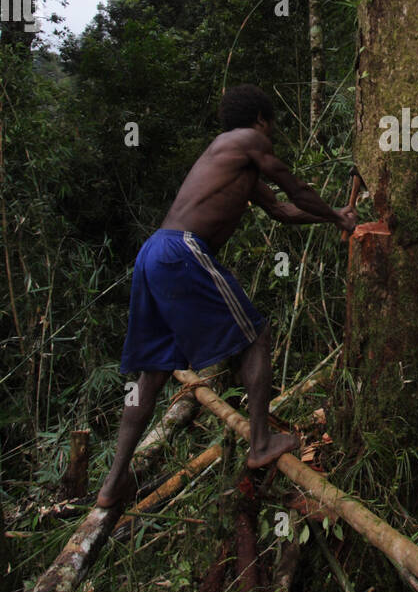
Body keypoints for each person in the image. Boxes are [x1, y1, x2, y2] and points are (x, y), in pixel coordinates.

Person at [97, 84, 357, 507]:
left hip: (154, 254)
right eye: (272, 126)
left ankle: (112, 484)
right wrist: (338, 216)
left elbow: (284, 210)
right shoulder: (248, 140)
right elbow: (298, 192)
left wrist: (331, 220)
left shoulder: (233, 159)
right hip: (183, 250)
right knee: (256, 337)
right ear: (259, 119)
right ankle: (259, 442)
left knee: (155, 372)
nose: (272, 135)